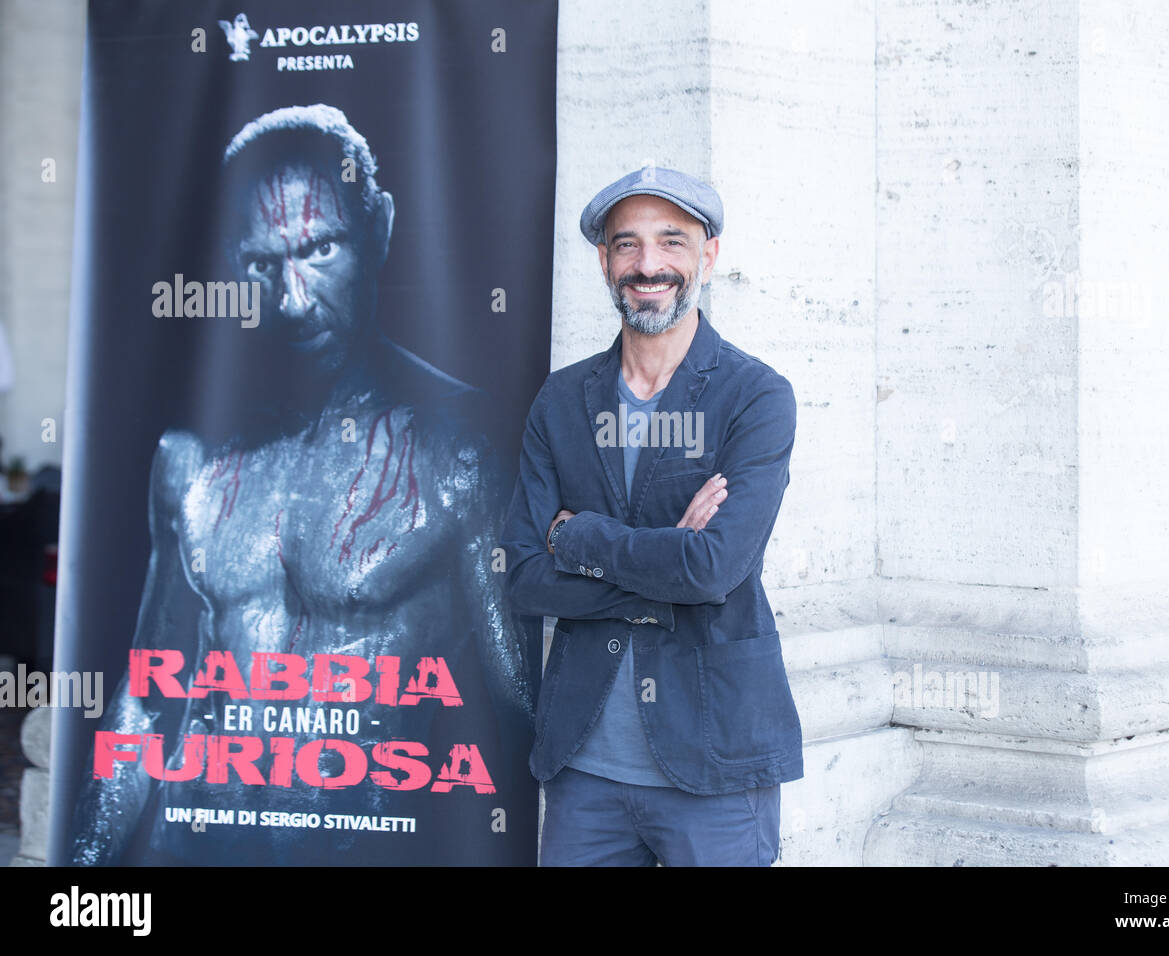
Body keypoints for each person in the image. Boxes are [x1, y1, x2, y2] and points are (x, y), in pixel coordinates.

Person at [70, 104, 534, 865]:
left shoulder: (461, 452)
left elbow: (520, 704)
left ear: (379, 228)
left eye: (320, 248)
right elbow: (149, 696)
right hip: (193, 848)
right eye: (260, 263)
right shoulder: (189, 457)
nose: (289, 300)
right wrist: (83, 871)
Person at [501, 165, 803, 866]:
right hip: (584, 769)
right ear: (604, 261)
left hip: (715, 760)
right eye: (626, 244)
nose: (648, 264)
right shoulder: (561, 399)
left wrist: (575, 536)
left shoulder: (757, 397)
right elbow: (523, 578)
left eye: (671, 241)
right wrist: (665, 563)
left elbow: (712, 570)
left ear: (708, 255)